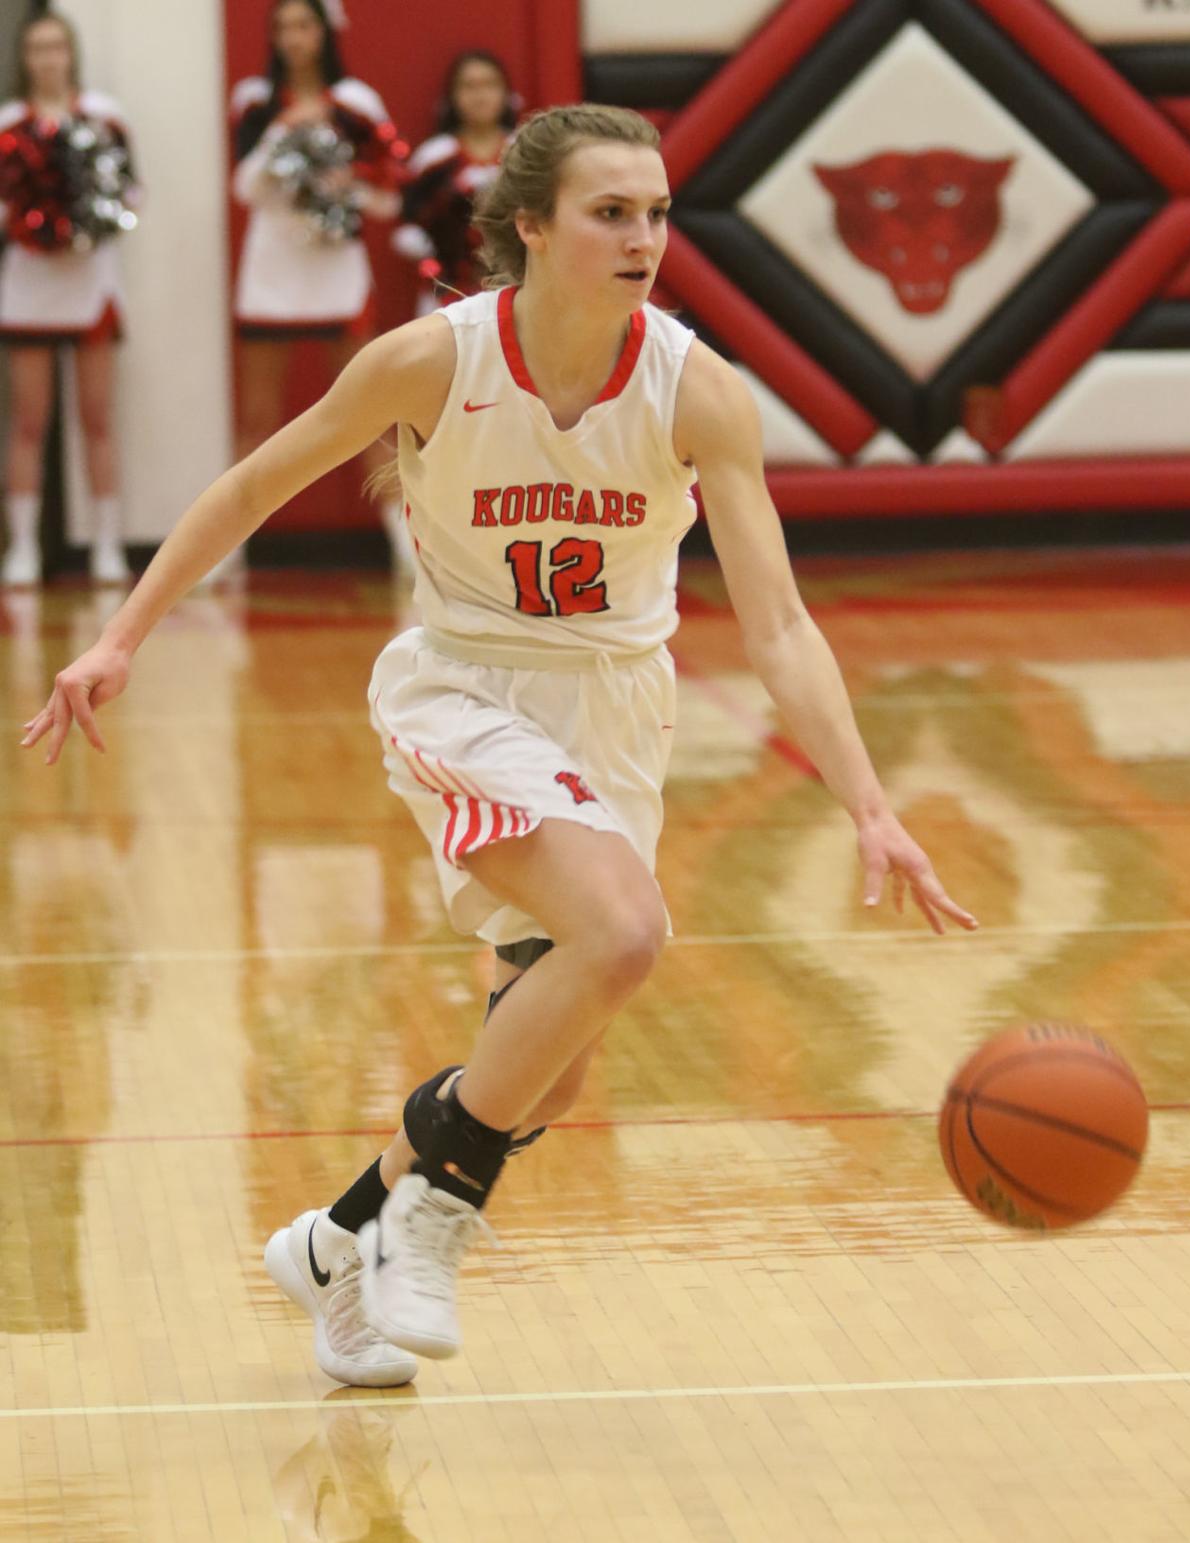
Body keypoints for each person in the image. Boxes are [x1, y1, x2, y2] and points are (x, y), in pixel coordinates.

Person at [21, 104, 978, 1389]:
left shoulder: (698, 389)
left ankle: (338, 1236)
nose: (646, 237)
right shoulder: (433, 361)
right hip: (467, 688)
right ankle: (436, 1215)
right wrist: (121, 638)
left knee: (550, 1072)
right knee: (626, 934)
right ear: (528, 224)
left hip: (616, 708)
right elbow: (253, 486)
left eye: (657, 212)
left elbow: (784, 624)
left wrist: (867, 801)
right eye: (611, 212)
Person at [227, 0, 407, 578]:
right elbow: (244, 188)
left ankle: (406, 546)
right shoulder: (254, 101)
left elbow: (388, 197)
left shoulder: (357, 104)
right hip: (270, 271)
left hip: (336, 271)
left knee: (370, 407)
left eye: (304, 25)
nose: (293, 37)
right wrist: (282, 132)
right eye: (282, 26)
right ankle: (227, 546)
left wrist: (346, 183)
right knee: (256, 416)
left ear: (324, 33)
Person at [0, 7, 139, 587]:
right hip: (30, 285)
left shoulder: (105, 117)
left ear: (71, 53)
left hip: (92, 286)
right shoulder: (7, 122)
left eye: (57, 46)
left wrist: (86, 225)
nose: (48, 58)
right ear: (23, 58)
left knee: (98, 419)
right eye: (37, 49)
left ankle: (108, 546)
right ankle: (24, 547)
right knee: (29, 421)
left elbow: (133, 194)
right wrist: (37, 225)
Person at [393, 50, 516, 316]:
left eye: (489, 84)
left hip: (515, 291)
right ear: (453, 96)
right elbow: (409, 220)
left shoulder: (522, 152)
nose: (480, 95)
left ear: (506, 93)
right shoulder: (434, 156)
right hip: (446, 292)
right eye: (469, 86)